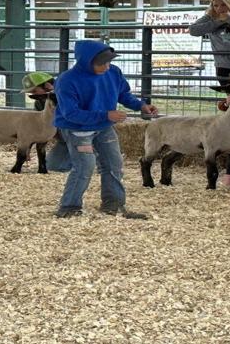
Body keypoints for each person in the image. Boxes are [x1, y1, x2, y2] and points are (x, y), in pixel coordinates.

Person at [52, 40, 158, 219]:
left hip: (103, 127)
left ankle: (114, 205)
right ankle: (69, 207)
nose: (107, 67)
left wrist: (141, 106)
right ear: (87, 61)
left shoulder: (113, 72)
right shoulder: (66, 80)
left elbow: (123, 94)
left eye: (108, 62)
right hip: (77, 128)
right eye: (102, 63)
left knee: (114, 164)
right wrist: (106, 116)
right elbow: (71, 113)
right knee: (85, 166)